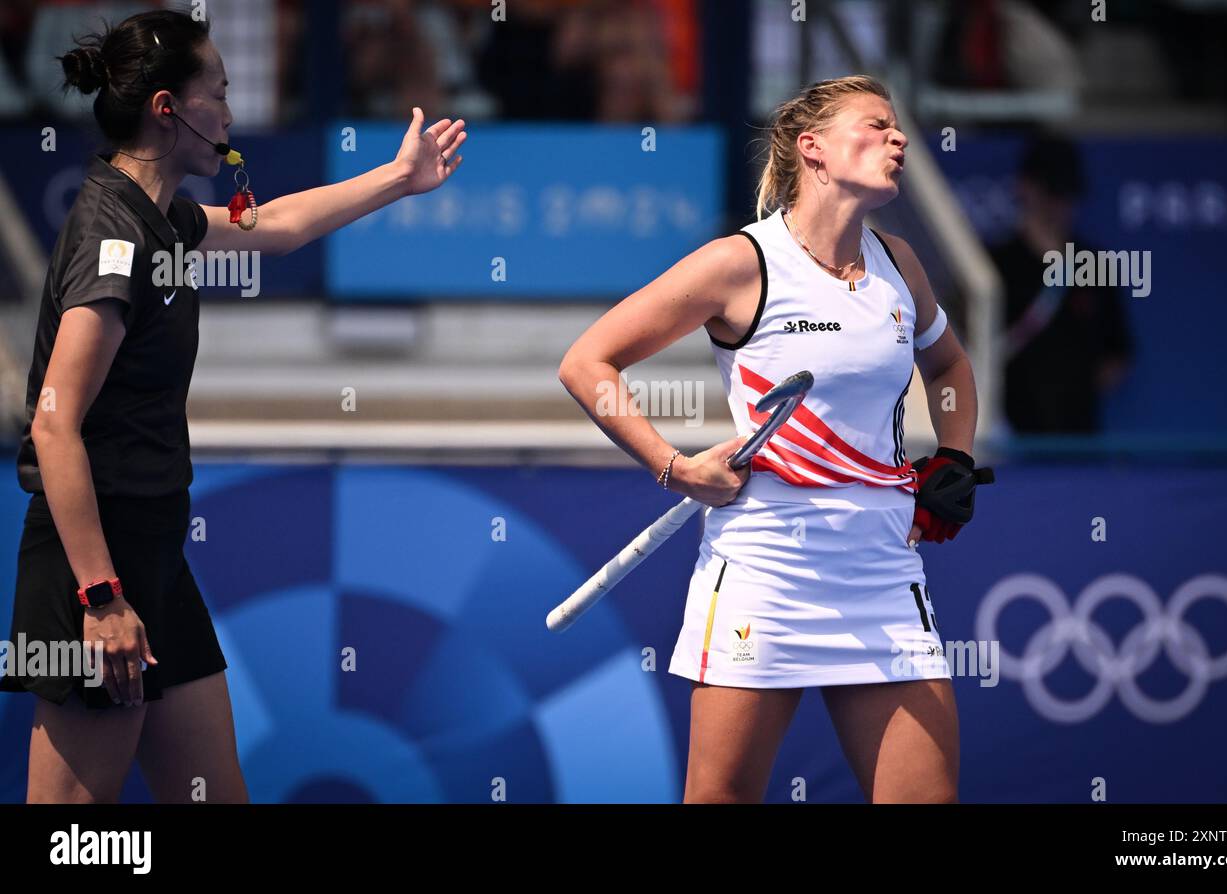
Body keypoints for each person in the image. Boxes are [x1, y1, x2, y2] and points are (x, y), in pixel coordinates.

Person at [0, 8, 466, 803]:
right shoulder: (114, 240)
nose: (232, 110)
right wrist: (102, 599)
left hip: (154, 553)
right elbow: (53, 423)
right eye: (218, 89)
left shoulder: (162, 221)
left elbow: (276, 226)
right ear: (168, 109)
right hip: (95, 567)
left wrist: (399, 177)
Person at [559, 75, 990, 803]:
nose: (900, 139)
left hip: (882, 574)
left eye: (899, 128)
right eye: (878, 125)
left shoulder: (899, 265)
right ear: (812, 148)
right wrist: (673, 466)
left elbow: (947, 366)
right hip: (766, 576)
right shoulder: (739, 264)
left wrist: (954, 454)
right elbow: (586, 363)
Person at [992, 134, 1133, 433]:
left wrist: (1075, 389)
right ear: (1024, 186)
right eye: (1049, 190)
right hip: (1006, 437)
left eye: (1065, 192)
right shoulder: (991, 266)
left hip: (1078, 440)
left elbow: (1118, 352)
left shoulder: (1094, 263)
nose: (1056, 203)